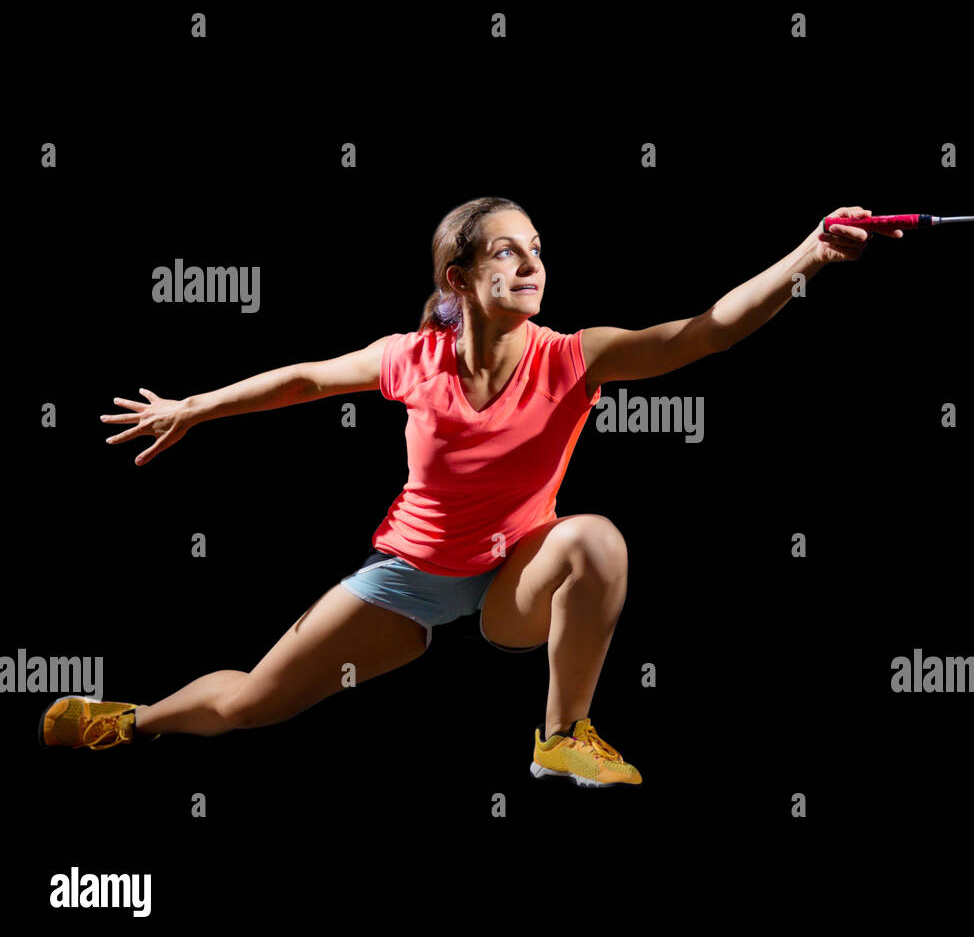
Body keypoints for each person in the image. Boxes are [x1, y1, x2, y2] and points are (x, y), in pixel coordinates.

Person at [39, 196, 894, 787]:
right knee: (252, 705)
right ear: (458, 278)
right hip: (409, 575)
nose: (532, 263)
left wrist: (810, 254)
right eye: (506, 250)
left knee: (596, 539)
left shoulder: (573, 358)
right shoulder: (411, 360)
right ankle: (136, 721)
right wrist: (198, 406)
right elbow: (302, 379)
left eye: (538, 248)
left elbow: (705, 334)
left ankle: (561, 739)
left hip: (517, 574)